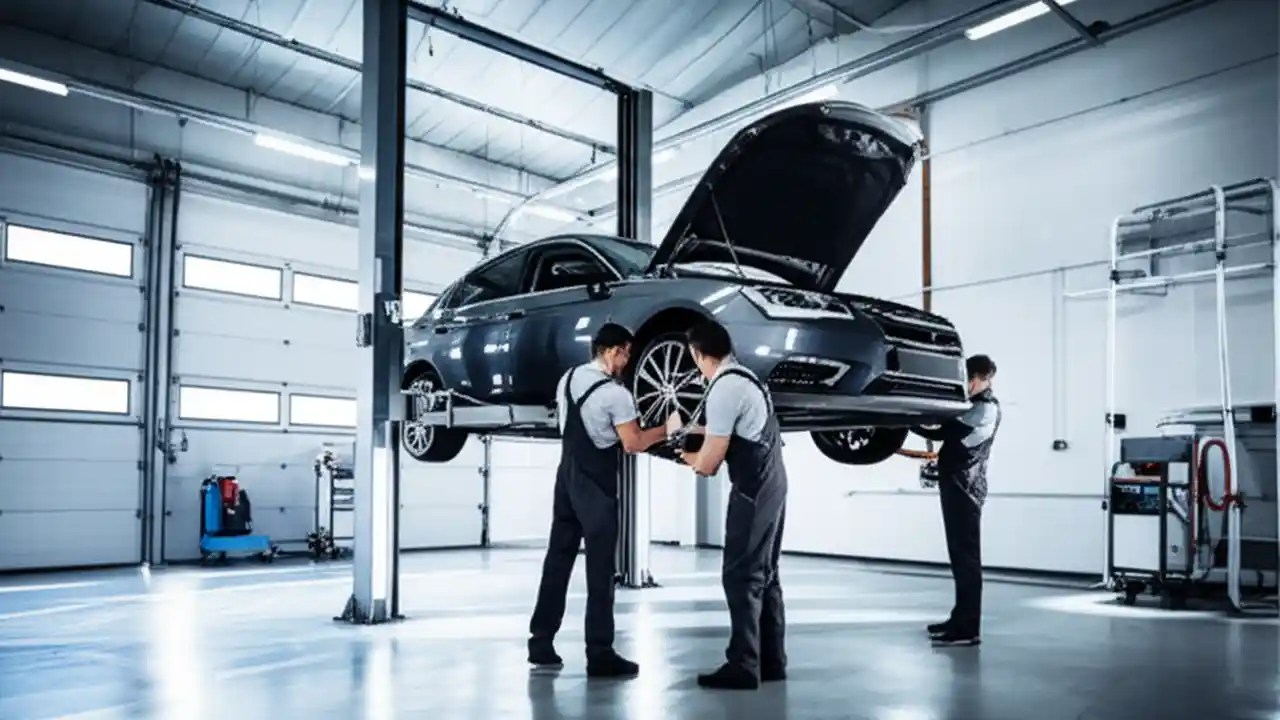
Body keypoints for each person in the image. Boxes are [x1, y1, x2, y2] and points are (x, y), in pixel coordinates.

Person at [527, 323, 679, 677]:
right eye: (627, 353)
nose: (628, 361)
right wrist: (669, 427)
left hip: (566, 479)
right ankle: (600, 653)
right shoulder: (616, 394)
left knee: (557, 562)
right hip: (595, 486)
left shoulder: (568, 379)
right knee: (600, 571)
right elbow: (633, 442)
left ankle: (540, 643)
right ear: (614, 351)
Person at [676, 319, 788, 690]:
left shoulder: (723, 389)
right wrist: (697, 434)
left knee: (740, 576)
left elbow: (708, 464)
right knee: (765, 575)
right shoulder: (748, 379)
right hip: (773, 484)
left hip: (752, 490)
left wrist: (684, 456)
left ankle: (742, 665)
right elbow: (733, 430)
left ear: (697, 353)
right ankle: (771, 662)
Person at [912, 354, 1000, 647]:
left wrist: (906, 419)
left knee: (966, 558)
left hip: (967, 488)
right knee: (959, 555)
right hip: (957, 484)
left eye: (974, 379)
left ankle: (967, 629)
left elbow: (943, 431)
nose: (970, 384)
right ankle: (959, 618)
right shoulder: (974, 405)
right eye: (968, 378)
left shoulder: (985, 408)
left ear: (986, 378)